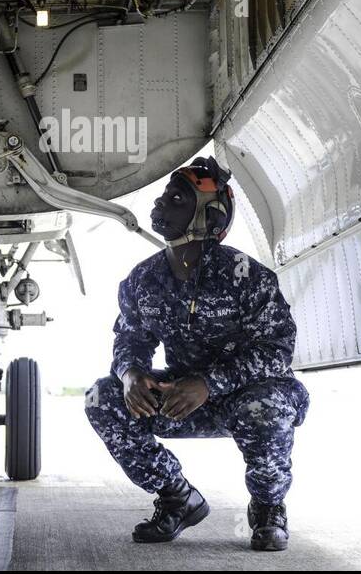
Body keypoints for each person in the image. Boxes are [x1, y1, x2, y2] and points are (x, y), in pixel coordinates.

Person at [85, 156, 309, 551]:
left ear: (209, 216)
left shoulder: (247, 276)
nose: (159, 205)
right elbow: (129, 340)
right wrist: (131, 374)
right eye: (163, 197)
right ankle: (177, 499)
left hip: (248, 397)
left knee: (269, 405)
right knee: (102, 397)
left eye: (175, 199)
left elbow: (277, 351)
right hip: (182, 402)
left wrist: (209, 382)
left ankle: (268, 507)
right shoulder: (143, 279)